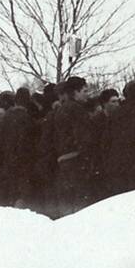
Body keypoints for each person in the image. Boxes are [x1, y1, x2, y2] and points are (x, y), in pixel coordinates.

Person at [50, 76, 96, 215]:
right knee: (81, 204)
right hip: (77, 162)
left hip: (63, 162)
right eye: (84, 91)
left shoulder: (61, 110)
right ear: (75, 92)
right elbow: (84, 138)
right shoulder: (77, 110)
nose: (87, 94)